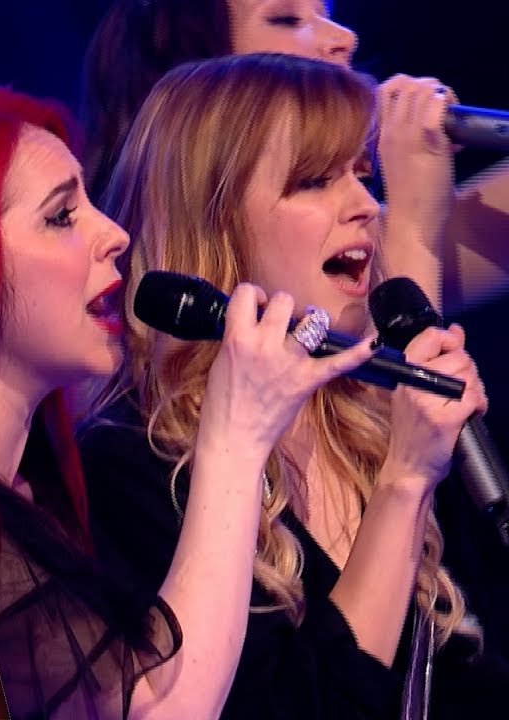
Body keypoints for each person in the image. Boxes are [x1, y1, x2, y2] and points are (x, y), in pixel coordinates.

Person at [0, 86, 374, 719]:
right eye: (61, 216)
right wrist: (237, 438)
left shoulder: (33, 495)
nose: (114, 234)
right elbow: (157, 709)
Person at [82, 53, 504, 718]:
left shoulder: (381, 423)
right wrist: (403, 482)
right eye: (314, 181)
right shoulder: (131, 465)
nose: (365, 207)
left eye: (362, 175)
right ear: (215, 221)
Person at [80, 0, 509, 314]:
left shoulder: (348, 242)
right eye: (287, 19)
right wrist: (412, 227)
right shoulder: (147, 299)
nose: (345, 38)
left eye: (356, 176)